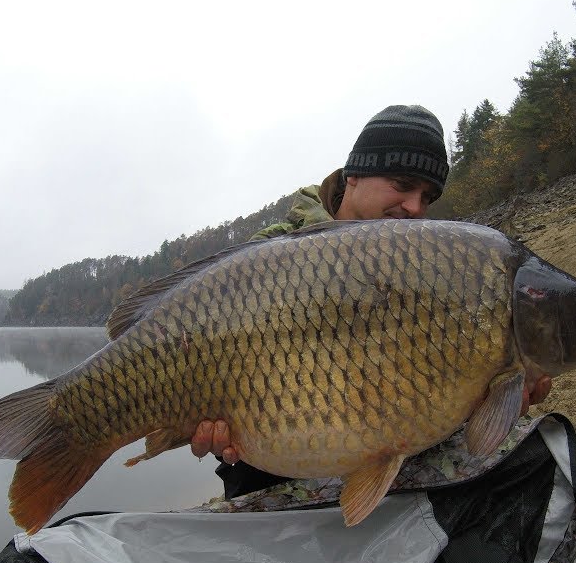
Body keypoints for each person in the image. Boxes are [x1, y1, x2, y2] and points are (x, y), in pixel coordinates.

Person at [190, 104, 552, 497]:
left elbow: (434, 399)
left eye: (427, 196)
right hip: (281, 469)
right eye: (402, 184)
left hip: (394, 467)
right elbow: (218, 381)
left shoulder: (434, 266)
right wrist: (212, 433)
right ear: (354, 175)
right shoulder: (265, 258)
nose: (416, 207)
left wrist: (488, 406)